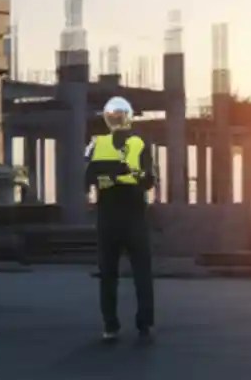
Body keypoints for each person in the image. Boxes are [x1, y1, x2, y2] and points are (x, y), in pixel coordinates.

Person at [84, 96, 155, 343]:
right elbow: (149, 181)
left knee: (108, 275)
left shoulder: (96, 145)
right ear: (129, 116)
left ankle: (110, 326)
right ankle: (144, 323)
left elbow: (87, 180)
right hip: (133, 214)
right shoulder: (140, 143)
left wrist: (107, 181)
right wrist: (129, 174)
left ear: (107, 119)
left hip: (107, 216)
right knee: (142, 272)